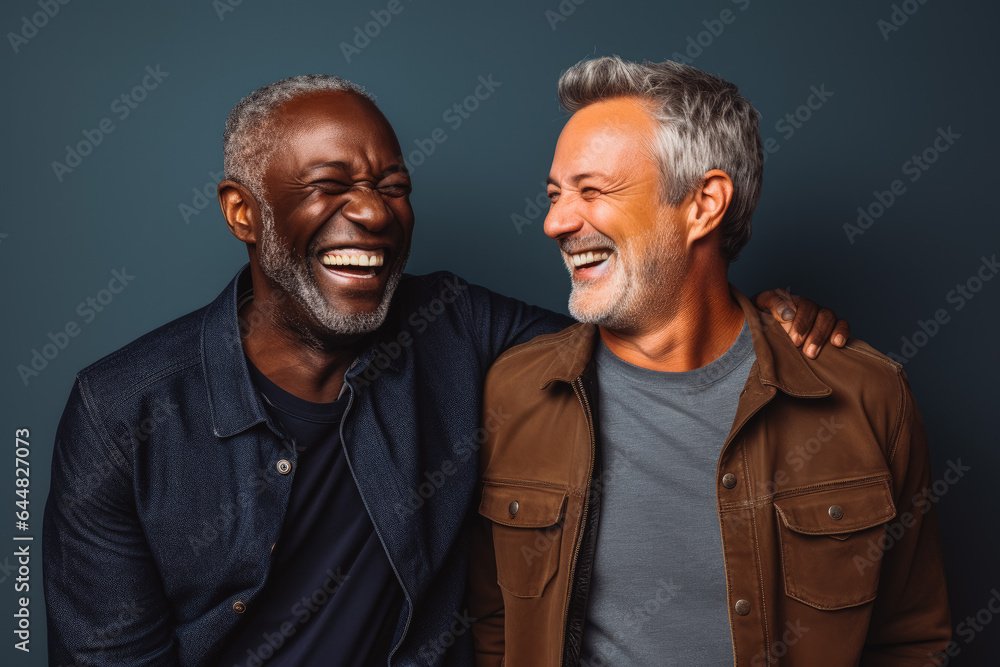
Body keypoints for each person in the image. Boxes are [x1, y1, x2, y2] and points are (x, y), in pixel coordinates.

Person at [43, 74, 846, 666]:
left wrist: (760, 316)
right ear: (242, 211)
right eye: (331, 185)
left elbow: (637, 343)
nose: (372, 211)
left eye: (393, 187)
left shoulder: (455, 325)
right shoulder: (122, 410)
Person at [469, 57, 950, 666]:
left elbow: (910, 640)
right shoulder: (514, 392)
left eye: (592, 190)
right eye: (555, 194)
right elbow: (495, 626)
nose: (555, 221)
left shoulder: (867, 397)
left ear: (704, 205)